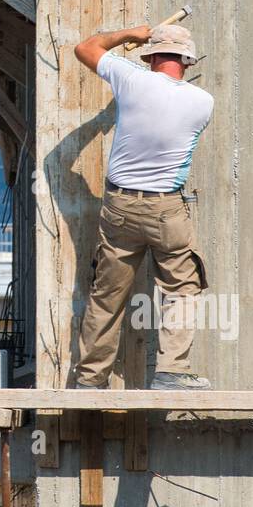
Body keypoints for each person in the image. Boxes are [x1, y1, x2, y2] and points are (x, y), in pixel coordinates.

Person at [72, 22, 214, 391]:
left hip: (120, 205)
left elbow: (85, 48)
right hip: (167, 209)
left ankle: (90, 380)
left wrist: (127, 35)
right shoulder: (202, 103)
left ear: (150, 56)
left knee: (107, 295)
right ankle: (170, 371)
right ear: (187, 60)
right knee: (181, 287)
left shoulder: (131, 79)